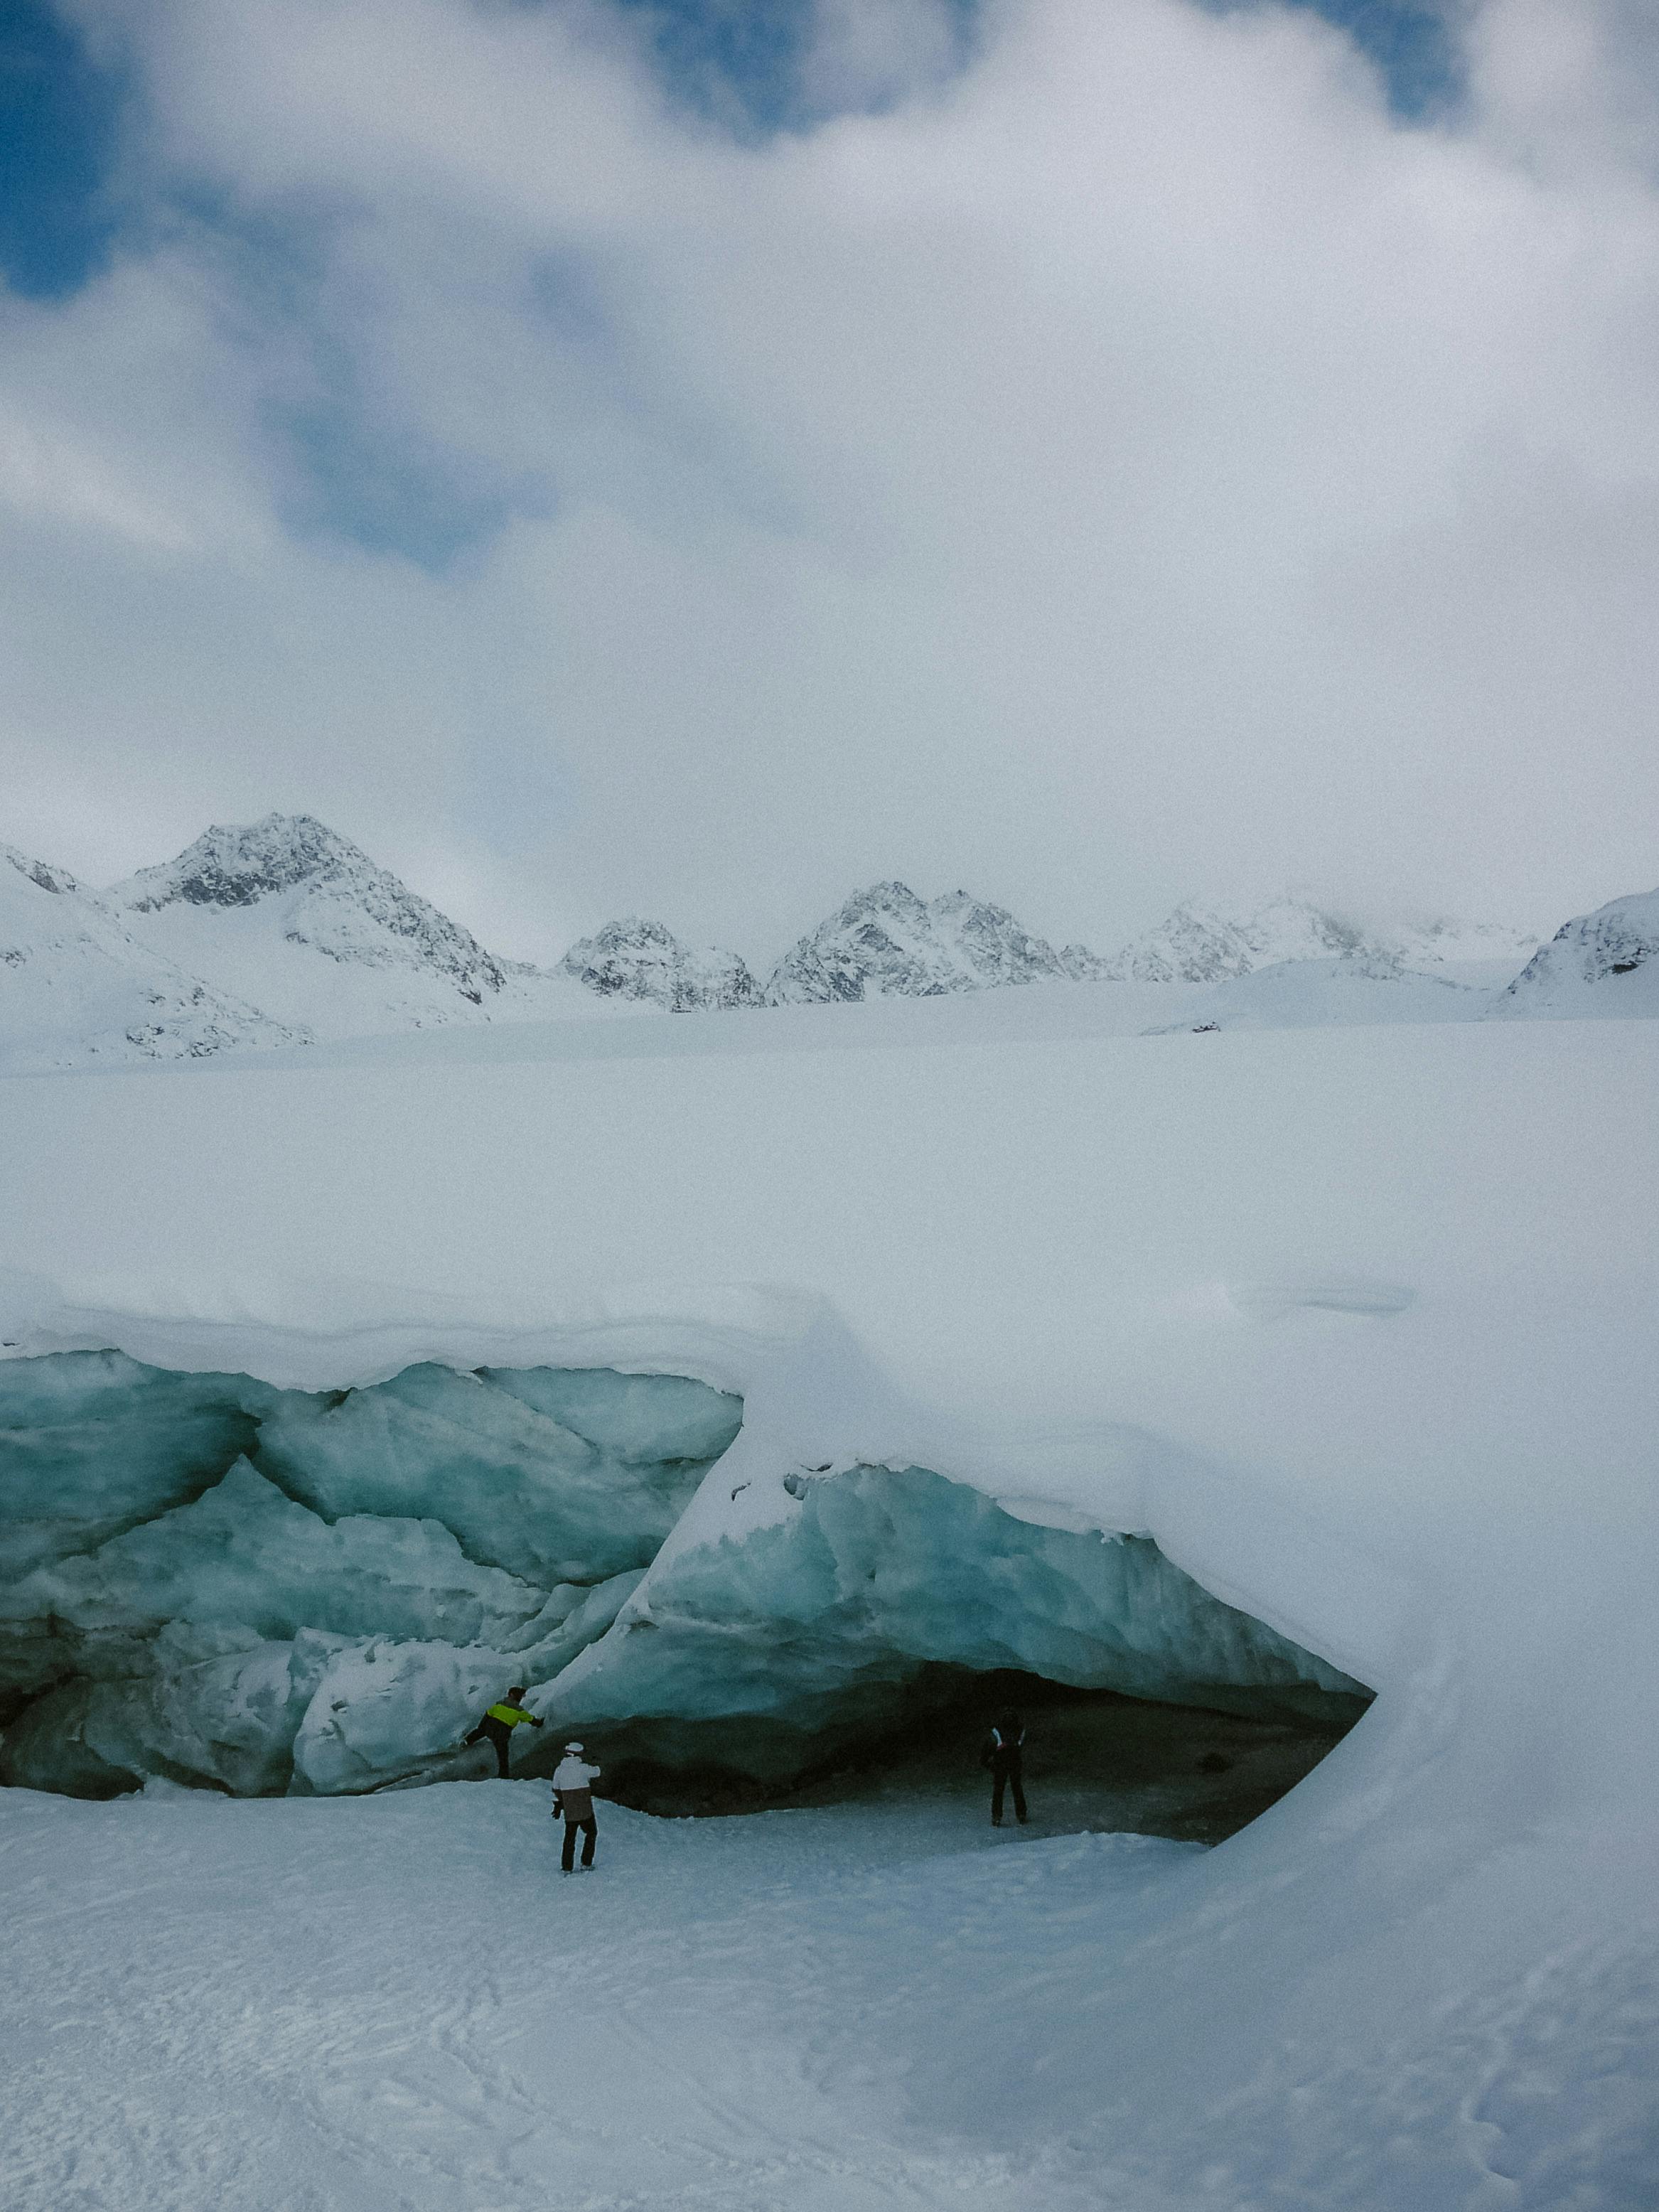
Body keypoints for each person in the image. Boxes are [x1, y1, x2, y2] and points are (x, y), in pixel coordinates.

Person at [465, 1687, 544, 1778]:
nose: (522, 1698)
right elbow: (533, 1721)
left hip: (489, 1729)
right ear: (515, 1696)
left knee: (480, 1731)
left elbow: (487, 1715)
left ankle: (467, 1741)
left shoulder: (498, 1705)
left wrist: (481, 1729)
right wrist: (540, 1723)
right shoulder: (520, 1711)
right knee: (503, 1757)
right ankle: (503, 1776)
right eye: (522, 1696)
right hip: (501, 1736)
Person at [552, 1741, 602, 1873]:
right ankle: (586, 1863)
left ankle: (567, 1868)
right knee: (591, 1833)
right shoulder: (584, 1768)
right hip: (586, 1811)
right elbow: (597, 1772)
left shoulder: (559, 1770)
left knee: (569, 1838)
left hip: (570, 1812)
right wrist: (596, 1761)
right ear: (579, 1755)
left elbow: (555, 1788)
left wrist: (562, 1802)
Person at [981, 1708, 1028, 1826]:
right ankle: (1021, 1814)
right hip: (1014, 1761)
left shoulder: (996, 1731)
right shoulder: (1020, 1730)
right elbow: (1020, 1745)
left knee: (998, 1790)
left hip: (1000, 1763)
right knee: (1017, 1788)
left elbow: (988, 1748)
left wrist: (986, 1763)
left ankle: (997, 1816)